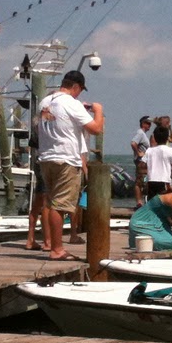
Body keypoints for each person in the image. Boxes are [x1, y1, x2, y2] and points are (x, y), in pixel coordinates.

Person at [36, 70, 103, 259]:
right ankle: (57, 249)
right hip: (66, 159)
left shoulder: (45, 102)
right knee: (60, 205)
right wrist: (98, 110)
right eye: (80, 89)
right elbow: (96, 129)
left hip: (47, 158)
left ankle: (50, 244)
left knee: (51, 202)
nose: (79, 94)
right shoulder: (71, 103)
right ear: (75, 86)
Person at [144, 124, 172, 195]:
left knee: (152, 200)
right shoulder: (171, 151)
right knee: (164, 200)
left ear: (155, 138)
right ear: (167, 138)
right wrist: (169, 173)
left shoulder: (149, 151)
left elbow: (142, 165)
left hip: (151, 180)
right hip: (165, 180)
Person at [129, 115, 152, 206]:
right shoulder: (140, 133)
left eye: (150, 124)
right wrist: (138, 153)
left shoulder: (143, 134)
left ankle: (142, 201)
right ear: (143, 124)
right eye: (148, 123)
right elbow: (133, 143)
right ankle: (139, 202)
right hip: (141, 162)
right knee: (139, 182)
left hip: (144, 162)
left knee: (143, 181)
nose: (149, 125)